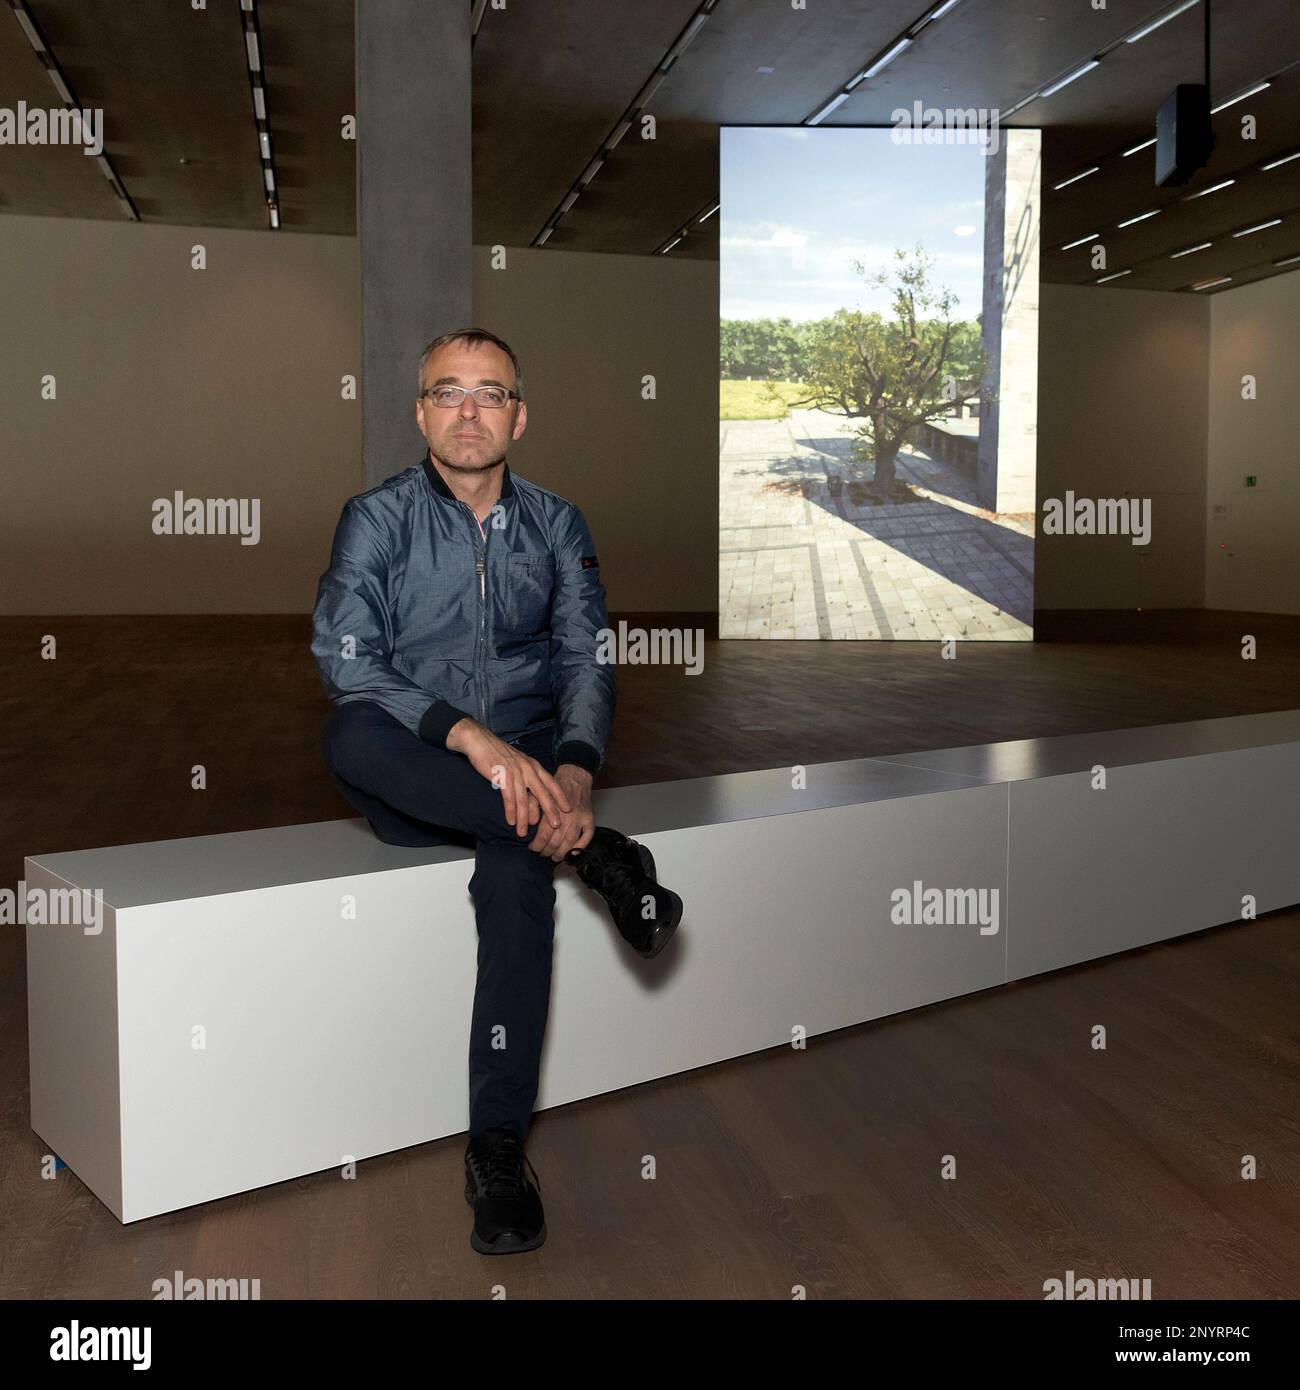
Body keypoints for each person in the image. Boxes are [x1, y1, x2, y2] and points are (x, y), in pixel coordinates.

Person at [310, 327, 682, 1255]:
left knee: (517, 875)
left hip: (527, 783)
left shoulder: (557, 522)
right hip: (421, 769)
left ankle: (498, 1150)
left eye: (489, 394)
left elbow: (583, 655)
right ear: (420, 411)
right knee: (350, 728)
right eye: (447, 392)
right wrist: (468, 737)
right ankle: (596, 851)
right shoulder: (377, 517)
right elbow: (346, 658)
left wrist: (574, 764)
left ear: (520, 413)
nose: (468, 412)